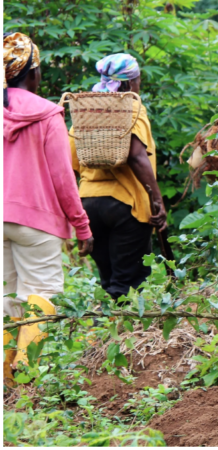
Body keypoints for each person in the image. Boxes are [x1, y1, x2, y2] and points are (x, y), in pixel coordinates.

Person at [3, 32, 94, 387]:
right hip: (35, 220)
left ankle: (6, 381)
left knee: (8, 295)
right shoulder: (47, 114)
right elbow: (62, 178)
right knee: (43, 292)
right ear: (33, 72)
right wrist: (82, 227)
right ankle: (27, 374)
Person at [71, 54, 166, 301]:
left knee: (110, 279)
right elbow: (136, 156)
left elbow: (70, 161)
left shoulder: (87, 108)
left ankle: (108, 332)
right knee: (129, 284)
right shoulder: (131, 106)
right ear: (131, 82)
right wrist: (157, 200)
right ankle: (126, 335)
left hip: (90, 202)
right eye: (139, 79)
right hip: (127, 204)